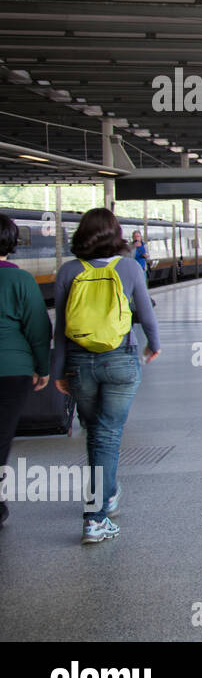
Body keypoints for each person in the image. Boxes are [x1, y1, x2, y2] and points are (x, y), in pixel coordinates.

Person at [51, 208, 161, 545]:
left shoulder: (69, 271)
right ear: (116, 235)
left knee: (97, 432)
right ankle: (96, 517)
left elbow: (61, 327)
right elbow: (145, 314)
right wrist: (153, 346)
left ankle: (107, 495)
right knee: (107, 434)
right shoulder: (128, 268)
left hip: (80, 363)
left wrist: (58, 371)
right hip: (120, 361)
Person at [0, 212, 52, 528]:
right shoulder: (20, 280)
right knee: (2, 435)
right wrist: (43, 367)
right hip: (12, 372)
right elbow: (37, 328)